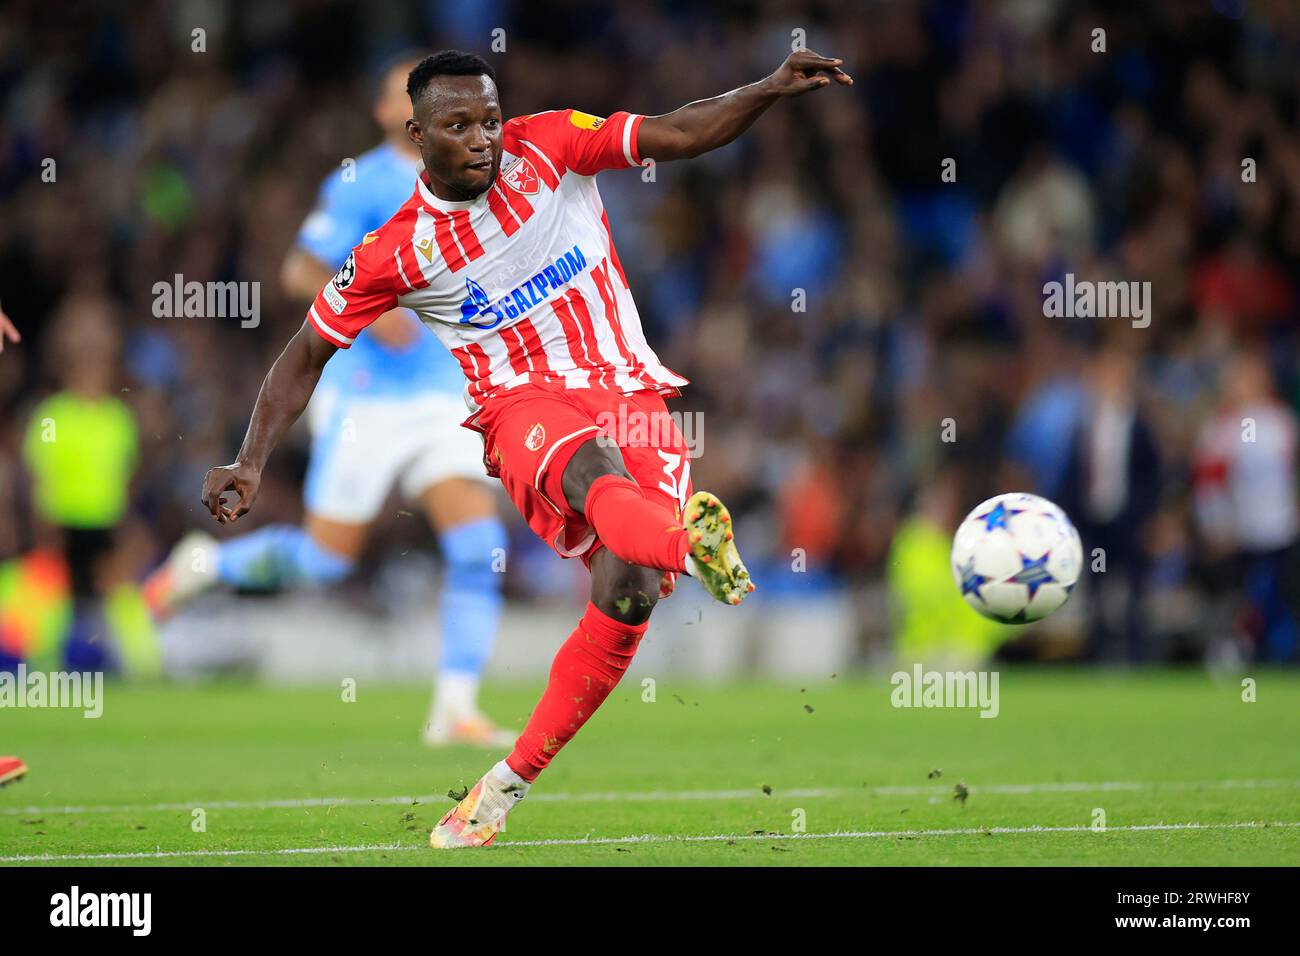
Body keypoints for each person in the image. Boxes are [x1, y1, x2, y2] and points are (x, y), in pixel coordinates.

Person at [199, 49, 852, 848]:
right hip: (522, 407)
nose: (483, 138)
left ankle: (502, 788)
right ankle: (691, 540)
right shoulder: (395, 250)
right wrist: (251, 459)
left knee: (631, 588)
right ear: (418, 135)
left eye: (490, 118)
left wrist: (769, 87)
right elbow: (305, 354)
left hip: (631, 392)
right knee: (594, 474)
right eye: (458, 125)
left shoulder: (551, 142)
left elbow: (678, 132)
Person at [145, 55, 513, 747]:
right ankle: (207, 565)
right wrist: (375, 313)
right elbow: (298, 269)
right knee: (327, 560)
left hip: (442, 397)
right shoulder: (362, 181)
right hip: (365, 397)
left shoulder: (481, 179)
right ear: (391, 115)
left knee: (478, 546)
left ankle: (454, 709)